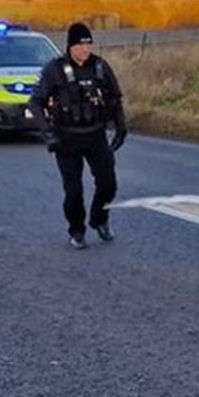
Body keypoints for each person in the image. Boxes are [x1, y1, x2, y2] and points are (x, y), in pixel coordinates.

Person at [28, 22, 128, 250]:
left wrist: (121, 128)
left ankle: (99, 219)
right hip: (66, 139)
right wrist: (48, 135)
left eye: (88, 43)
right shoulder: (54, 70)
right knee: (73, 190)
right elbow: (35, 102)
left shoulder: (101, 67)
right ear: (71, 46)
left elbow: (115, 99)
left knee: (108, 184)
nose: (85, 49)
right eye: (80, 44)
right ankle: (77, 231)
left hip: (95, 135)